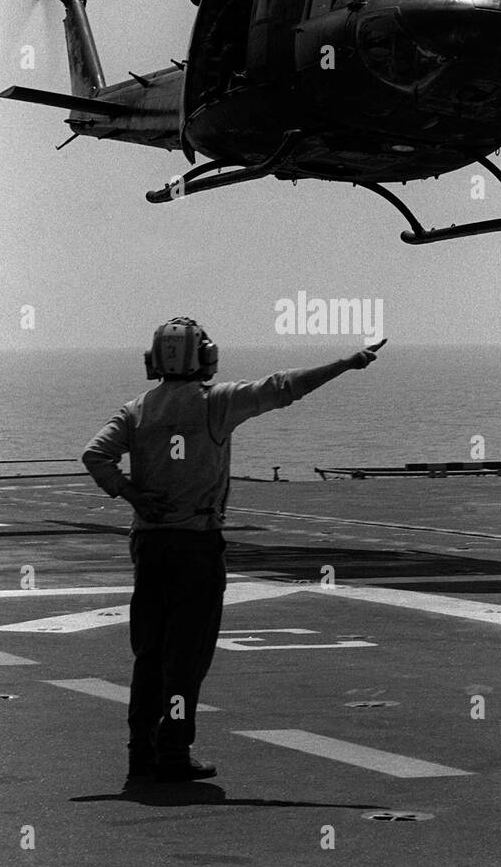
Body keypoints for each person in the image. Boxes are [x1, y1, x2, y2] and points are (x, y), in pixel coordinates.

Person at [81, 319, 386, 783]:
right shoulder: (216, 403)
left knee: (149, 652)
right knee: (186, 657)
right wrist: (345, 363)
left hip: (149, 544)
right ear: (203, 356)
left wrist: (132, 494)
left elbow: (94, 455)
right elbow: (284, 387)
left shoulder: (136, 410)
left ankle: (139, 752)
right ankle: (174, 753)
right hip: (196, 547)